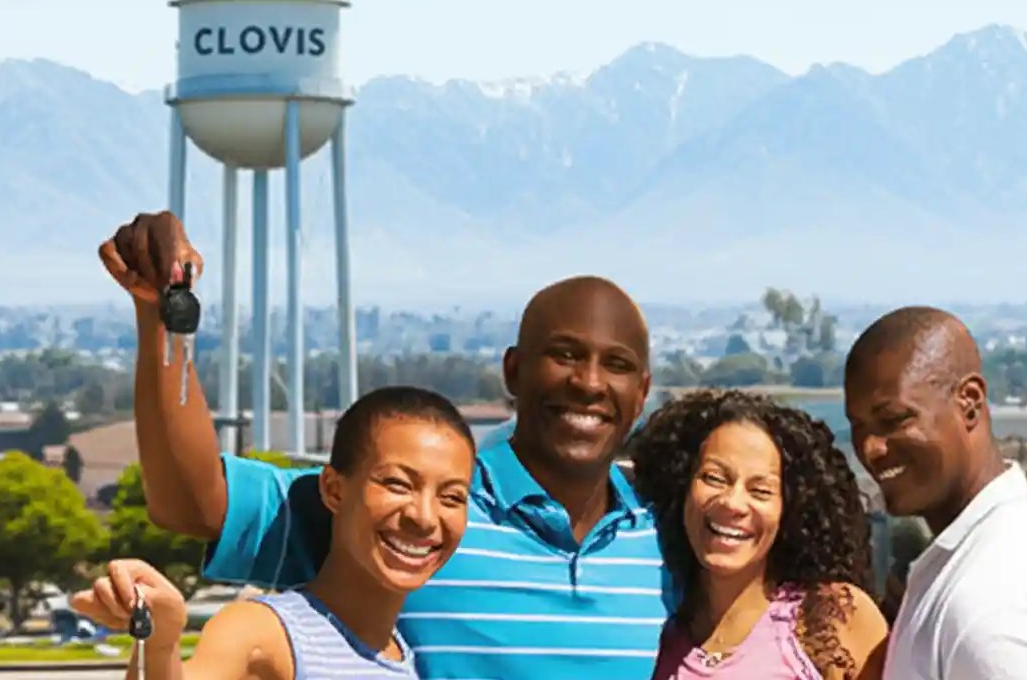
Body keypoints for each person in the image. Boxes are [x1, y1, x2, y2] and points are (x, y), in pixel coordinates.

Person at [98, 211, 670, 679]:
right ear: (514, 372)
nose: (590, 384)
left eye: (616, 366)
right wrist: (161, 317)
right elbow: (191, 501)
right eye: (565, 355)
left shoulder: (673, 537)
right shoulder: (417, 505)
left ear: (642, 393)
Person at [70, 385, 477, 679]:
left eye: (452, 497)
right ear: (334, 489)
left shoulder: (405, 658)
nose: (424, 517)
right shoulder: (267, 631)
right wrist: (159, 644)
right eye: (397, 484)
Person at [842, 306, 1027, 679]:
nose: (871, 447)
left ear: (969, 401)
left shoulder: (1003, 603)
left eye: (894, 420)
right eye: (858, 426)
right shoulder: (971, 566)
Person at [631, 389, 888, 679]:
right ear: (681, 488)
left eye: (760, 491)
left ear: (789, 509)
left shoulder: (833, 619)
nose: (732, 503)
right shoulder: (649, 621)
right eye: (714, 478)